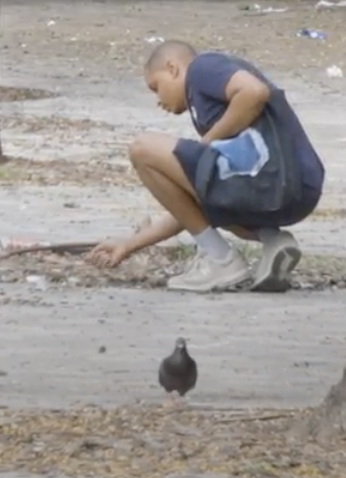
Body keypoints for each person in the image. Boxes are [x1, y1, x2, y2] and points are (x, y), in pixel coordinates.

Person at [85, 41, 325, 293]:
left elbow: (254, 92)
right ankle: (274, 240)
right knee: (206, 185)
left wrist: (209, 142)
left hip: (270, 181)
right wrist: (129, 245)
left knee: (142, 148)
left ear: (172, 68)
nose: (158, 100)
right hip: (299, 191)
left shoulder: (202, 67)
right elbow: (189, 206)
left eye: (156, 87)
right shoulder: (214, 102)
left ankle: (220, 260)